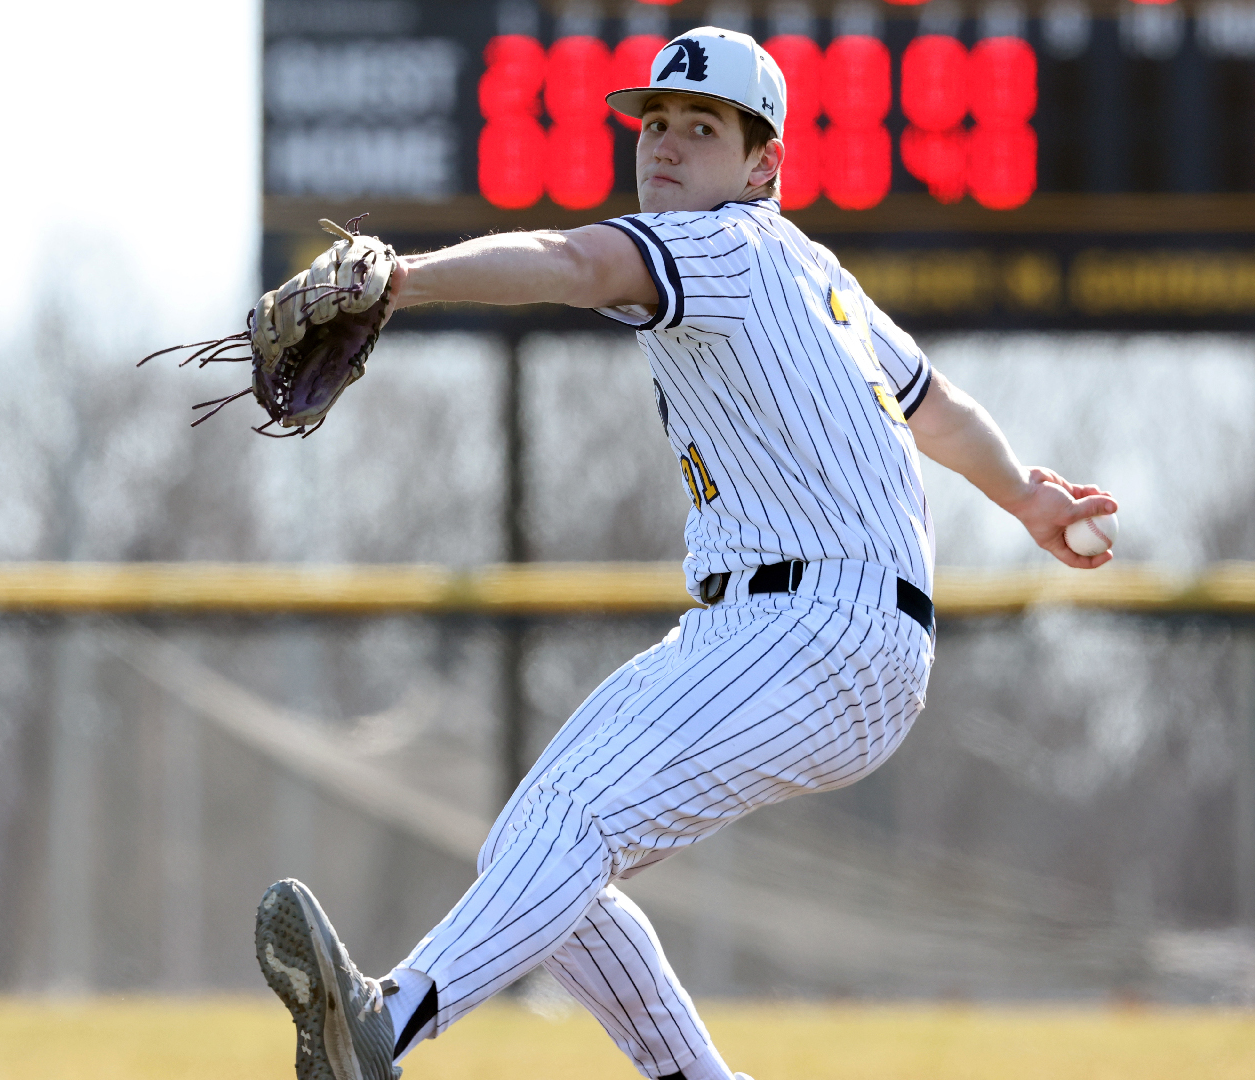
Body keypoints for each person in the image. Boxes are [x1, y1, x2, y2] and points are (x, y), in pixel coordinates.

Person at [254, 27, 1118, 1080]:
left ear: (763, 166)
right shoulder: (818, 274)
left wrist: (400, 279)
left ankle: (384, 1025)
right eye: (654, 123)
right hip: (804, 627)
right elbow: (935, 406)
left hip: (817, 626)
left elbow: (574, 262)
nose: (664, 145)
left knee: (568, 824)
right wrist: (1023, 493)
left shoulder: (726, 245)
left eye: (701, 128)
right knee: (537, 851)